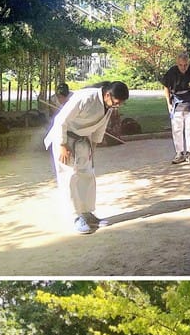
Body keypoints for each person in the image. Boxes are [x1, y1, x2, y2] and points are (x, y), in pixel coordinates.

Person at [43, 81, 129, 234]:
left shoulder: (108, 105)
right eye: (117, 102)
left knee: (87, 174)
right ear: (108, 95)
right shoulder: (85, 97)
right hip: (64, 138)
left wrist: (93, 149)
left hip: (84, 140)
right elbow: (61, 120)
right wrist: (62, 145)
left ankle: (87, 212)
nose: (117, 106)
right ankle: (75, 216)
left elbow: (100, 128)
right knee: (69, 177)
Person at [161, 51, 190, 164]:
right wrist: (168, 103)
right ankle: (179, 153)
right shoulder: (172, 72)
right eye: (181, 65)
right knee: (177, 129)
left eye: (185, 65)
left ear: (188, 63)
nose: (183, 67)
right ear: (177, 63)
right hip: (176, 103)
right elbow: (166, 87)